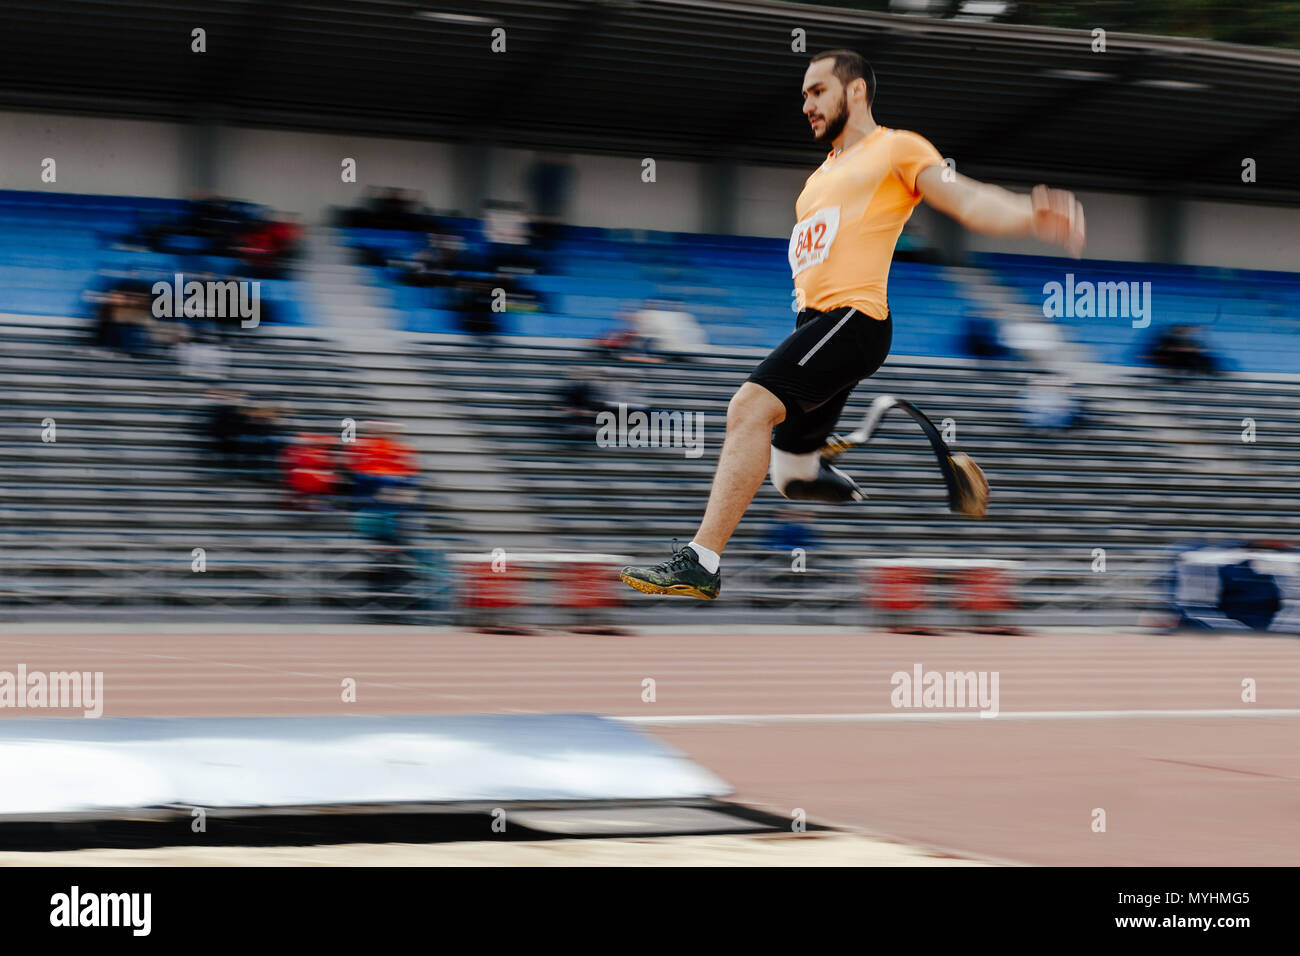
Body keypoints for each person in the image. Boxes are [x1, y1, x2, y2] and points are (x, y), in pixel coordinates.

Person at [619, 49, 1085, 600]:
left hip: (854, 320)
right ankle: (829, 472)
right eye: (803, 96)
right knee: (788, 477)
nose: (807, 105)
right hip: (813, 326)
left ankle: (701, 561)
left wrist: (1028, 214)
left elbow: (966, 199)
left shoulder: (897, 148)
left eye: (818, 91)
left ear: (856, 90)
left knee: (747, 408)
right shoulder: (815, 181)